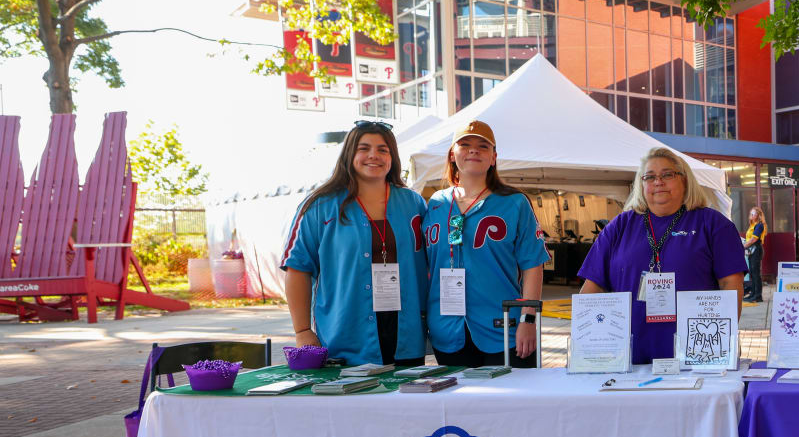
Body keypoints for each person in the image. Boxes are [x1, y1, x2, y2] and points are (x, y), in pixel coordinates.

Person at [577, 147, 746, 364]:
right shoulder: (619, 226)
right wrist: (587, 347)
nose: (658, 182)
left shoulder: (714, 225)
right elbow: (592, 289)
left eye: (667, 174)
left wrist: (721, 346)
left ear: (685, 180)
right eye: (650, 177)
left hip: (695, 358)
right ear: (641, 184)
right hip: (626, 358)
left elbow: (731, 285)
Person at [283, 121, 429, 367]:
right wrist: (302, 331)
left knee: (406, 404)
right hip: (345, 336)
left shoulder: (414, 204)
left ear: (392, 157)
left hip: (407, 334)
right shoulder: (319, 206)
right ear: (349, 154)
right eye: (364, 148)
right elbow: (297, 268)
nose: (374, 155)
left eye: (383, 149)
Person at [423, 120, 547, 368]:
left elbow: (533, 265)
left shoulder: (514, 203)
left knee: (511, 404)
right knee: (457, 404)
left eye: (483, 146)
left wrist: (528, 320)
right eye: (465, 144)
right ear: (452, 155)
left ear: (494, 158)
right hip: (447, 329)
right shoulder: (435, 203)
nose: (473, 150)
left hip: (504, 330)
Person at [742, 206, 766, 303]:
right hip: (751, 250)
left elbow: (754, 239)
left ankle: (758, 296)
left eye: (754, 213)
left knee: (756, 274)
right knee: (752, 272)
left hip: (756, 249)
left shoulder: (759, 225)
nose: (751, 215)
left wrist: (742, 246)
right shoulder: (752, 225)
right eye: (751, 213)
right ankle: (753, 294)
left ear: (758, 215)